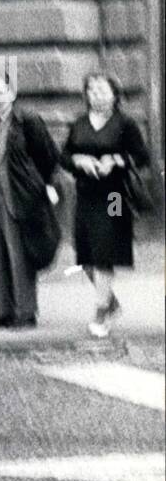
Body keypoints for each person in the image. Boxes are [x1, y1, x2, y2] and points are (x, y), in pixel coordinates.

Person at [0, 72, 61, 329]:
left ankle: (26, 312)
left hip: (17, 196)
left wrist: (43, 187)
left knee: (20, 256)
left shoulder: (26, 121)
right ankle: (3, 312)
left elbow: (48, 157)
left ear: (12, 93)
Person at [61, 73, 151, 338]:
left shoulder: (125, 124)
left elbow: (142, 157)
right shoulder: (78, 124)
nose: (96, 95)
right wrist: (78, 161)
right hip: (86, 194)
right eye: (91, 90)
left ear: (114, 94)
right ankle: (111, 302)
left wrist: (116, 159)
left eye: (102, 90)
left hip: (114, 197)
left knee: (105, 250)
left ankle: (101, 313)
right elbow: (64, 155)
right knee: (86, 255)